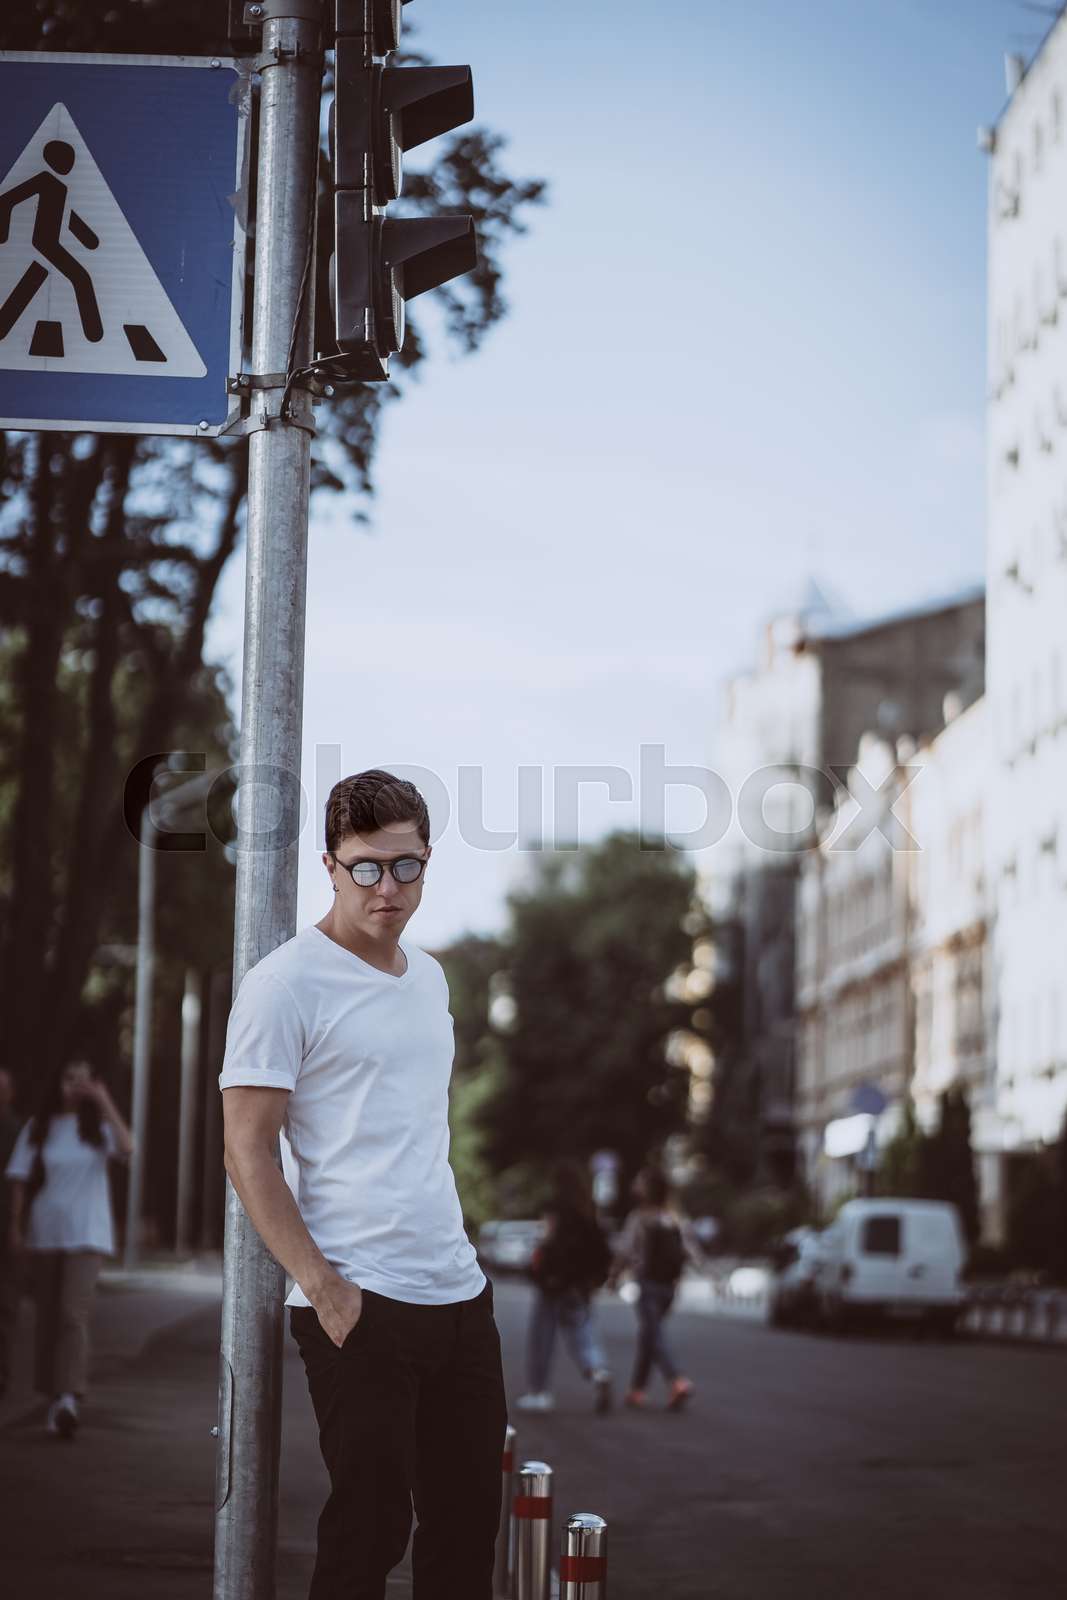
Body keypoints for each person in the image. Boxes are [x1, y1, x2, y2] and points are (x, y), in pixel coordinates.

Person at [220, 769, 507, 1600]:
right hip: (359, 1304)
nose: (389, 887)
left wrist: (466, 1271)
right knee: (367, 1537)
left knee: (463, 1538)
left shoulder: (429, 978)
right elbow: (248, 1150)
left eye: (406, 865)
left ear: (426, 859)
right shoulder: (284, 983)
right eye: (367, 868)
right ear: (330, 866)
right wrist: (323, 1288)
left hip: (457, 1297)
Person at [4, 1059, 133, 1436]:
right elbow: (18, 1180)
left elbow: (128, 1146)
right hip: (45, 1232)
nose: (75, 1086)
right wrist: (15, 1229)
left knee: (71, 1314)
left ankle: (69, 1397)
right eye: (68, 1079)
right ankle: (52, 1395)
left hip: (87, 1235)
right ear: (57, 1083)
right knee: (46, 1318)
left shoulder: (98, 1129)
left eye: (83, 1080)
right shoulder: (39, 1127)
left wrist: (103, 1099)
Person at [515, 1161, 613, 1415]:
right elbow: (601, 1248)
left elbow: (546, 1241)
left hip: (553, 1282)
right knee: (582, 1333)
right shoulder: (588, 1209)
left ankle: (539, 1392)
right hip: (579, 1286)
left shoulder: (555, 1208)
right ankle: (597, 1371)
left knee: (542, 1337)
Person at [608, 1166, 702, 1412]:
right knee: (650, 1334)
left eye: (639, 1181)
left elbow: (625, 1251)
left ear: (648, 1189)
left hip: (648, 1283)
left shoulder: (640, 1217)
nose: (635, 1185)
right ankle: (637, 1390)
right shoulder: (675, 1217)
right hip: (669, 1287)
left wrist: (613, 1277)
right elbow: (692, 1251)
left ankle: (676, 1380)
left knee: (654, 1334)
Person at [0, 1067, 23, 1398]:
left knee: (5, 1306)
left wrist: (17, 1226)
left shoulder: (18, 1129)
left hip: (5, 1228)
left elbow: (21, 1181)